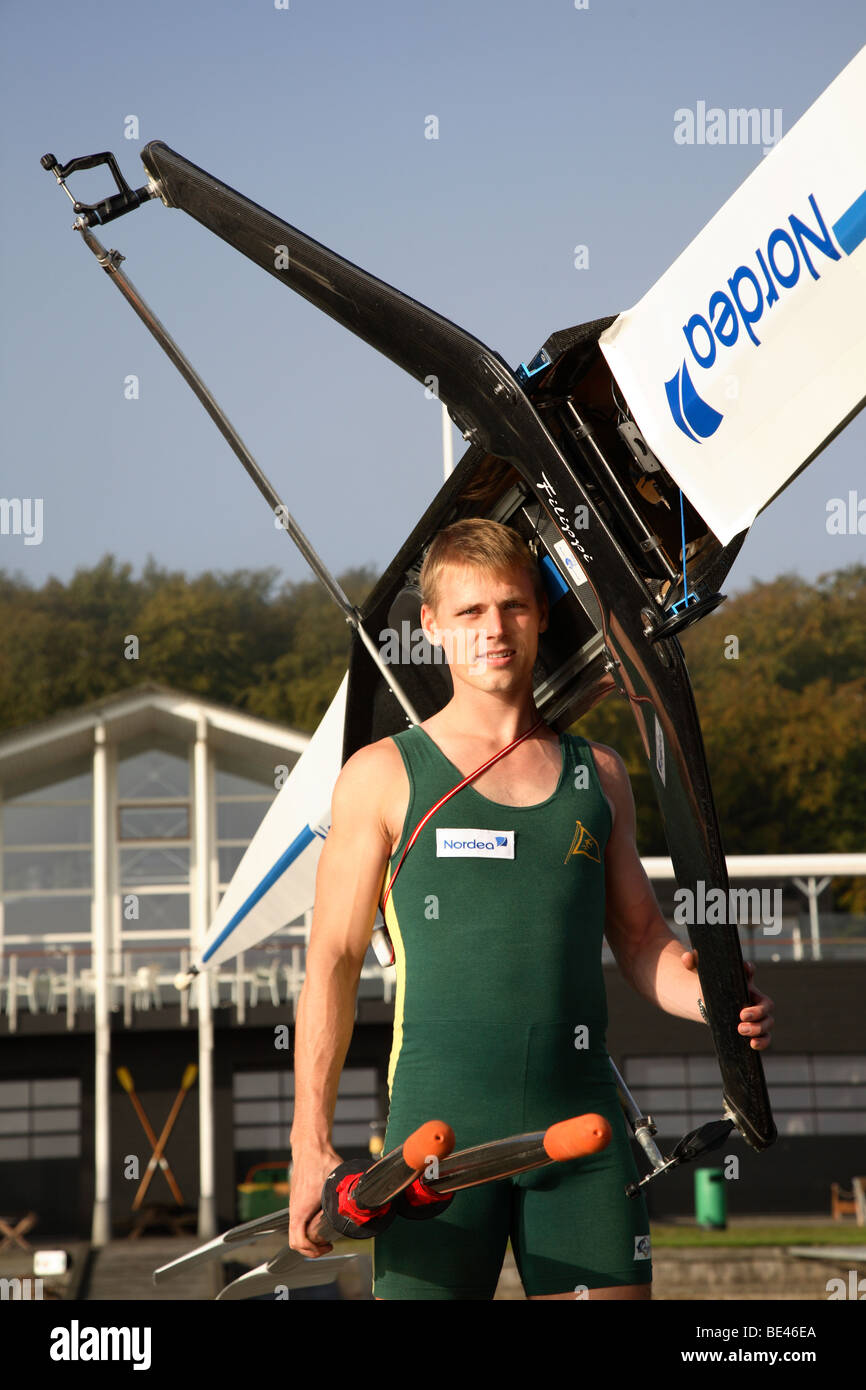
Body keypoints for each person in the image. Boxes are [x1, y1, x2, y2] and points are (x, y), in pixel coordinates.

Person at [288, 518, 774, 1300]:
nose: (495, 630)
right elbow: (333, 964)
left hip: (581, 1137)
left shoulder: (602, 775)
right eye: (471, 612)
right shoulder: (382, 776)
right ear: (433, 626)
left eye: (513, 606)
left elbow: (644, 940)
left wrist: (718, 1000)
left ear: (542, 614)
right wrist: (309, 1143)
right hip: (431, 1149)